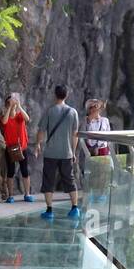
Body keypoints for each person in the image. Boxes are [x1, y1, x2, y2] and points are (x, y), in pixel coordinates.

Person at [36, 84, 80, 220]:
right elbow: (75, 135)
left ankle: (49, 211)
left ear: (55, 95)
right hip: (66, 153)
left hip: (51, 153)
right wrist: (73, 152)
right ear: (66, 95)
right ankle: (75, 209)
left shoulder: (50, 111)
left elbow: (41, 131)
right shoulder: (73, 112)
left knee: (48, 181)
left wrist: (38, 144)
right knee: (70, 180)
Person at [0, 93, 34, 203]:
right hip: (10, 149)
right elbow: (4, 122)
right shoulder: (3, 117)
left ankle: (27, 194)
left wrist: (18, 106)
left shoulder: (20, 116)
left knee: (25, 171)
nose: (12, 102)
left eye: (13, 100)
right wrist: (9, 107)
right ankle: (10, 195)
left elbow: (27, 118)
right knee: (10, 172)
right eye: (10, 101)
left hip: (22, 147)